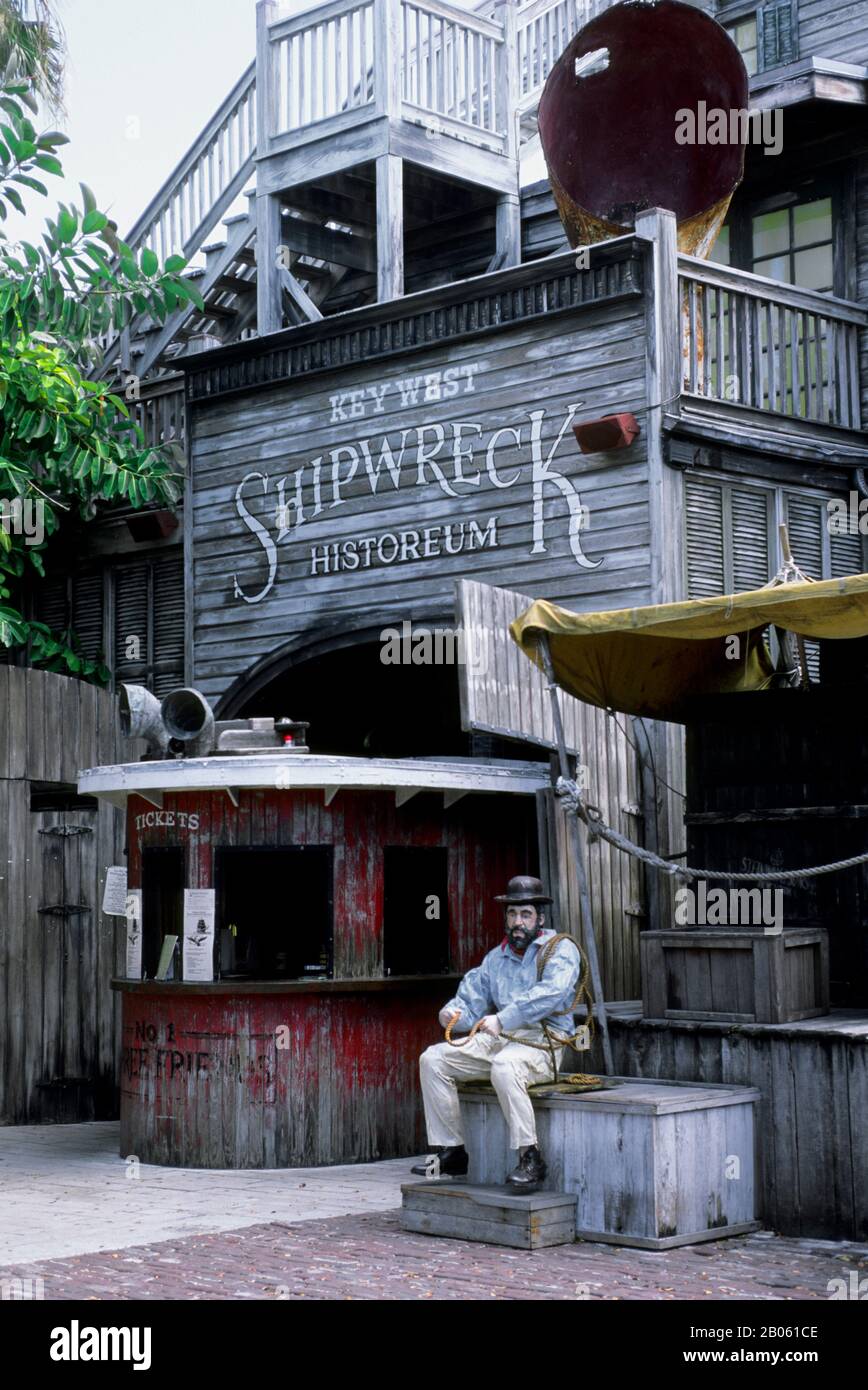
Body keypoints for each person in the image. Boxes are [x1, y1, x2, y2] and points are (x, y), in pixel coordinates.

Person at [411, 875, 582, 1192]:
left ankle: (530, 1157)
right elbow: (471, 1003)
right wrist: (451, 1013)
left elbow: (552, 993)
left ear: (540, 919)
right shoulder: (496, 959)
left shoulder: (560, 950)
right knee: (433, 1059)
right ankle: (453, 1151)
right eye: (512, 914)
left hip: (544, 1043)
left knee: (506, 1066)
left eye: (526, 914)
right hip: (500, 1041)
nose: (518, 922)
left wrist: (504, 1019)